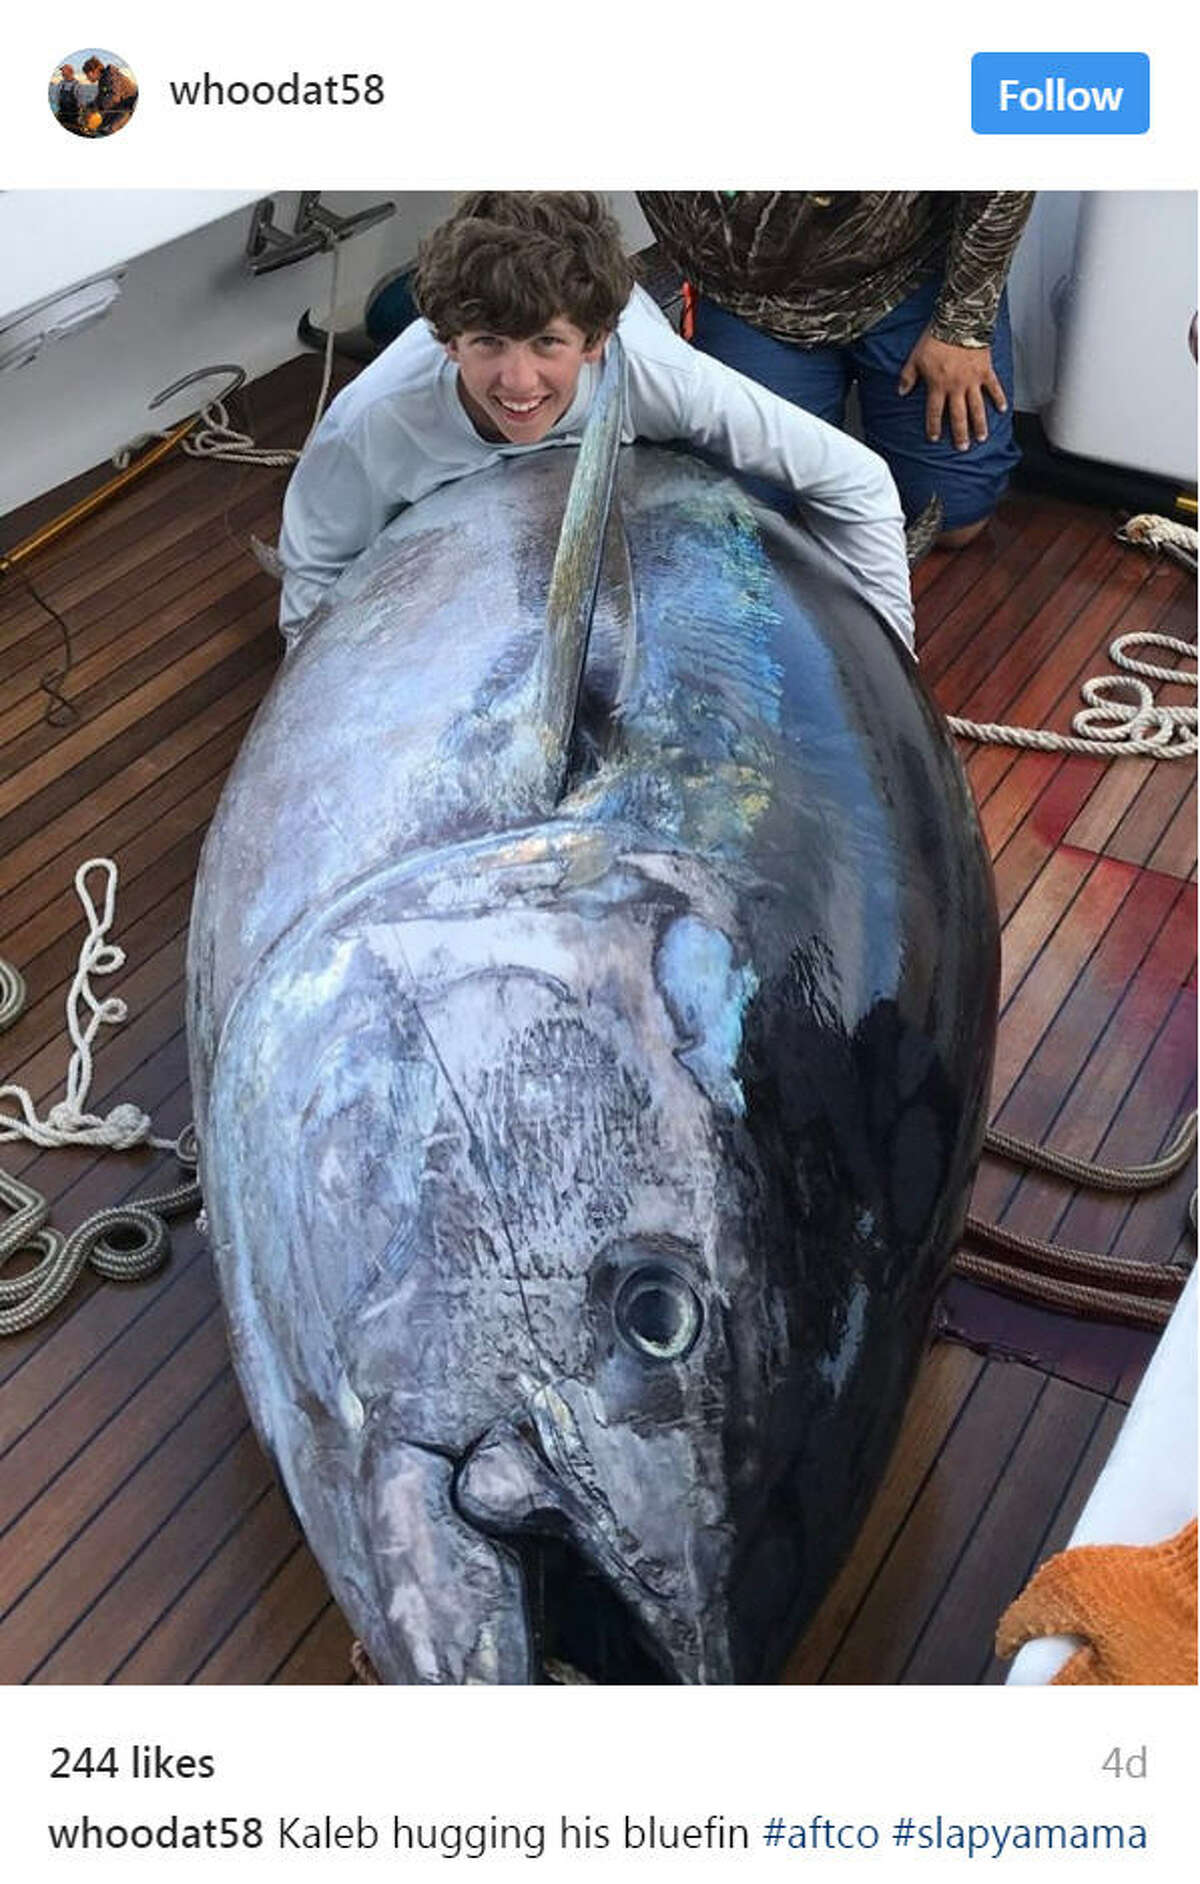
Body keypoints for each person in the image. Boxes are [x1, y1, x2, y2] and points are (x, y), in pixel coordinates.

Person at [277, 192, 915, 651]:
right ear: (446, 340)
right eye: (489, 343)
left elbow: (857, 480)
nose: (519, 383)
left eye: (547, 344)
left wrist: (891, 669)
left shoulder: (660, 377)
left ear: (596, 340)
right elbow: (314, 575)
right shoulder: (371, 421)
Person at [637, 192, 1035, 549]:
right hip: (748, 298)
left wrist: (962, 324)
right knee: (742, 521)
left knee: (951, 519)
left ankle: (861, 416)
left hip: (908, 269)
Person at [81, 56, 138, 135]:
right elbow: (100, 98)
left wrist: (96, 110)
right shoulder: (103, 79)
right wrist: (89, 107)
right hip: (119, 107)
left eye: (88, 74)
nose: (87, 78)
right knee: (99, 127)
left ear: (95, 71)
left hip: (130, 107)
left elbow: (114, 97)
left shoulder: (111, 76)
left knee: (109, 130)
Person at [53, 64, 83, 135]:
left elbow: (80, 102)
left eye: (64, 71)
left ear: (70, 72)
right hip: (62, 114)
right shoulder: (61, 84)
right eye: (62, 71)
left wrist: (81, 114)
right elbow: (57, 98)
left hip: (73, 117)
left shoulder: (77, 85)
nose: (62, 73)